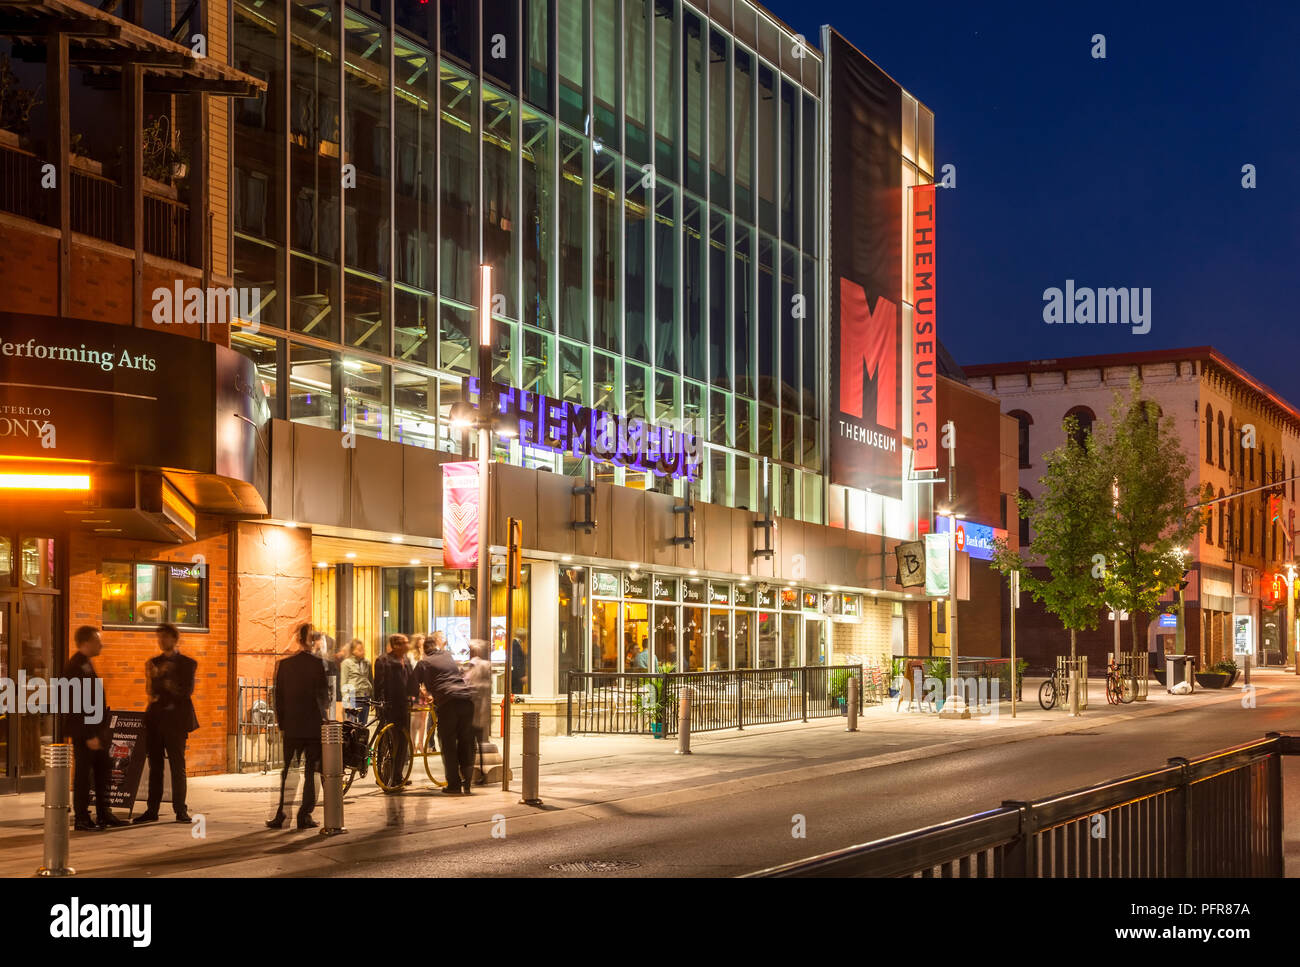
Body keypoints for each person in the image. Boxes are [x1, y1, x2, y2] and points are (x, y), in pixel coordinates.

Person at [133, 623, 197, 824]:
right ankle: (152, 810)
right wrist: (153, 677)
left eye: (164, 637)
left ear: (174, 639)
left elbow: (186, 691)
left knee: (178, 766)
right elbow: (151, 692)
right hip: (155, 720)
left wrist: (166, 679)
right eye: (159, 638)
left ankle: (181, 810)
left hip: (176, 721)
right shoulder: (153, 662)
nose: (161, 641)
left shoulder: (187, 663)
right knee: (155, 766)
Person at [268, 623, 330, 829]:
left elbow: (279, 698)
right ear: (312, 641)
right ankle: (305, 815)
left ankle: (282, 816)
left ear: (298, 639)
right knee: (311, 772)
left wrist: (283, 723)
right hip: (313, 726)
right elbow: (325, 697)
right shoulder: (319, 664)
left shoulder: (285, 665)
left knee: (289, 772)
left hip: (293, 727)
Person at [66, 626, 127, 831]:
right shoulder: (75, 667)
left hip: (96, 731)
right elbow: (74, 706)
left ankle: (104, 813)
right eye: (97, 641)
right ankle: (82, 818)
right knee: (83, 775)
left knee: (103, 772)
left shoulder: (86, 664)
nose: (101, 644)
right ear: (86, 642)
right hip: (86, 733)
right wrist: (89, 735)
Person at [418, 636, 476, 795]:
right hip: (466, 700)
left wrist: (423, 695)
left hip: (448, 703)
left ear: (424, 649)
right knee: (465, 742)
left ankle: (454, 785)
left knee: (448, 743)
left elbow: (412, 684)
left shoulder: (424, 662)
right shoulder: (447, 656)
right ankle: (467, 783)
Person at [373, 633, 412, 790]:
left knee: (403, 742)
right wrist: (380, 706)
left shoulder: (406, 660)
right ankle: (384, 776)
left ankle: (397, 774)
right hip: (389, 707)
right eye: (404, 643)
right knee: (386, 743)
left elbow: (410, 680)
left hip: (404, 706)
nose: (407, 645)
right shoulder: (383, 660)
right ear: (396, 645)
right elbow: (379, 685)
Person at [463, 640, 493, 785]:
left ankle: (473, 774)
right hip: (473, 709)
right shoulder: (472, 665)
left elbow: (484, 687)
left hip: (476, 709)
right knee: (473, 743)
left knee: (475, 743)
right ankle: (470, 774)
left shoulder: (481, 666)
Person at [410, 637, 438, 755]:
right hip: (417, 691)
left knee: (423, 719)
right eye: (420, 644)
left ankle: (420, 743)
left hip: (426, 690)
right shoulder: (413, 657)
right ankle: (412, 744)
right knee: (414, 719)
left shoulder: (428, 657)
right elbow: (413, 676)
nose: (422, 646)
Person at [340, 638, 372, 725]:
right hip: (352, 698)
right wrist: (347, 702)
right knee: (352, 725)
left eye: (363, 649)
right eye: (359, 650)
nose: (362, 651)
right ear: (353, 651)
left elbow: (370, 680)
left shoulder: (367, 662)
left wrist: (372, 697)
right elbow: (343, 683)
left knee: (363, 724)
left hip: (365, 697)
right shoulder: (346, 663)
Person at [510, 630, 528, 695]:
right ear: (522, 636)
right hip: (516, 678)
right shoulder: (515, 644)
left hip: (516, 676)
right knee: (517, 694)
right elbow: (516, 662)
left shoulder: (516, 644)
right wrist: (521, 676)